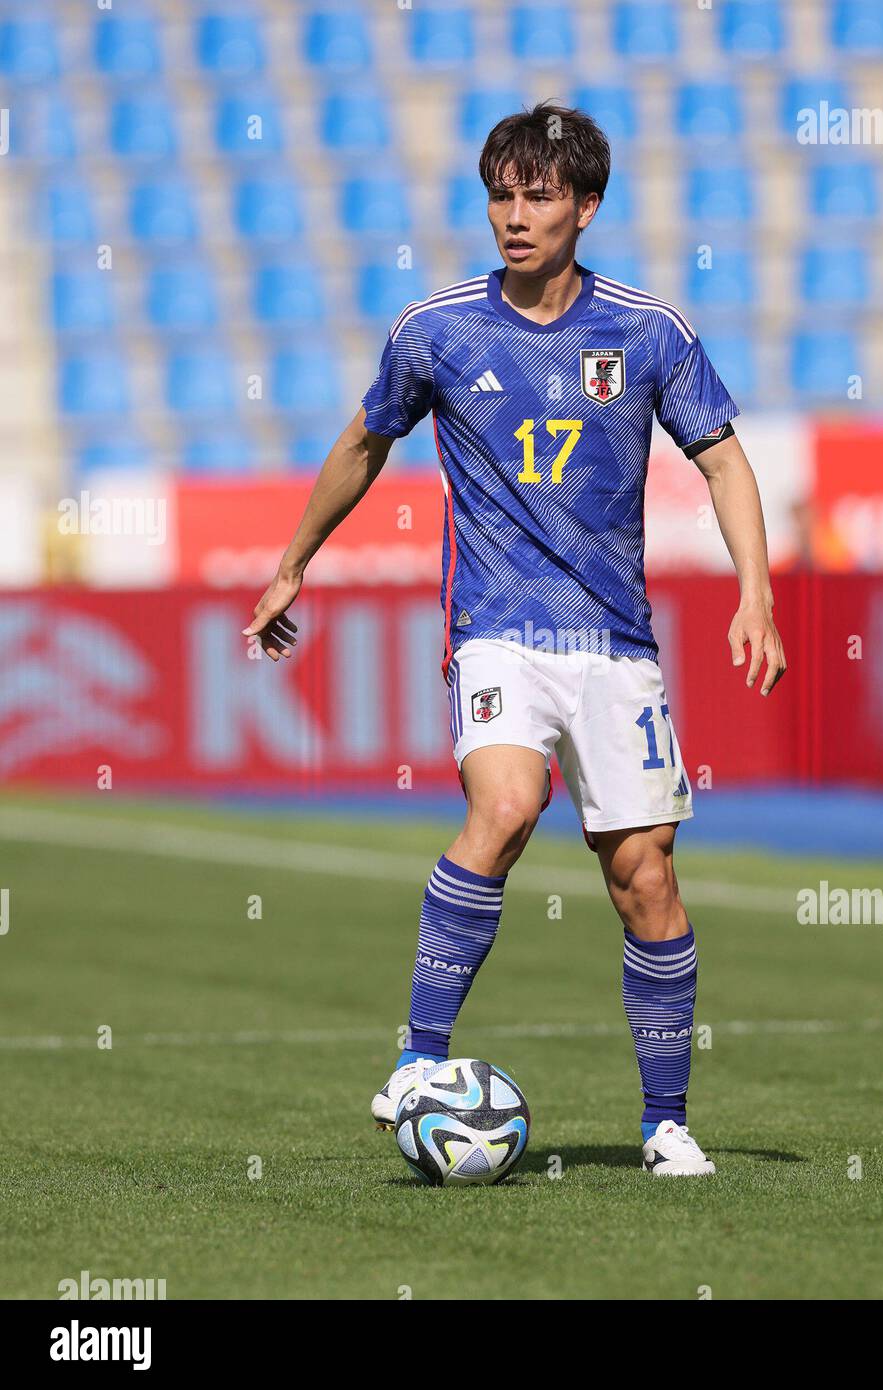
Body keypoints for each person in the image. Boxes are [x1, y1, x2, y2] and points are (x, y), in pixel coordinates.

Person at [245, 103, 786, 1177]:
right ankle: (417, 1058)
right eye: (501, 192)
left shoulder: (648, 332)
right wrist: (293, 560)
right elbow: (363, 443)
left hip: (615, 643)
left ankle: (664, 1123)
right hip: (496, 628)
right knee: (506, 802)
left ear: (587, 206)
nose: (515, 214)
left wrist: (754, 592)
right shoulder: (436, 329)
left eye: (539, 194)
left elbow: (721, 458)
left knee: (645, 879)